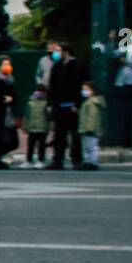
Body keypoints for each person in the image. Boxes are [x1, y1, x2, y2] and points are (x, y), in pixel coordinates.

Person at [46, 42, 85, 170]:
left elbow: (82, 86)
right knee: (58, 134)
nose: (55, 53)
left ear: (66, 51)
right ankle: (58, 159)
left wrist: (78, 104)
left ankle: (76, 159)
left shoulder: (78, 66)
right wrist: (50, 103)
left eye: (58, 50)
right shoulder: (57, 66)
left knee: (75, 134)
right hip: (58, 105)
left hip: (72, 105)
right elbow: (52, 86)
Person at [77, 82, 106, 171]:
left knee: (91, 147)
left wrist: (90, 128)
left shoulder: (92, 102)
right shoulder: (89, 102)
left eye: (86, 90)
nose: (84, 92)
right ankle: (88, 161)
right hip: (86, 128)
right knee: (87, 146)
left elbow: (92, 117)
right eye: (83, 90)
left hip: (90, 129)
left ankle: (92, 162)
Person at [20, 84, 51, 169]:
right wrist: (25, 127)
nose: (38, 93)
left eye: (41, 91)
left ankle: (41, 160)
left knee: (41, 146)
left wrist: (49, 112)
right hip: (32, 128)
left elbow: (49, 117)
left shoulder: (46, 103)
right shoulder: (30, 103)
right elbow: (26, 116)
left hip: (42, 128)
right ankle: (28, 161)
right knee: (30, 146)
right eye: (37, 91)